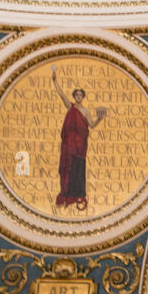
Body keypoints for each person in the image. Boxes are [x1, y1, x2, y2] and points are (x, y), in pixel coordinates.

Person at [51, 65, 106, 211]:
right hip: (70, 145)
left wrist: (99, 119)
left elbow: (92, 125)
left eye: (81, 95)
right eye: (76, 95)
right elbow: (61, 95)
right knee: (70, 167)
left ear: (83, 97)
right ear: (74, 96)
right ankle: (69, 192)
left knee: (79, 168)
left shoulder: (86, 111)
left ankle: (80, 193)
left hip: (81, 146)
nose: (78, 97)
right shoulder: (71, 107)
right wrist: (55, 81)